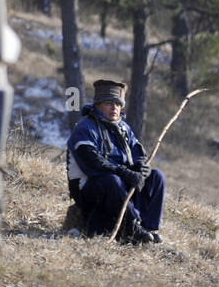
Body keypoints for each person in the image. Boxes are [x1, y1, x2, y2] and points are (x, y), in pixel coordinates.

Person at [65, 79, 165, 244]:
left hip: (117, 185)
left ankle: (147, 228)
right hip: (90, 189)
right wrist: (123, 172)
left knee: (156, 176)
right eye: (109, 103)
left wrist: (141, 167)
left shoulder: (123, 128)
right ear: (97, 105)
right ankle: (132, 228)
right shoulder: (85, 127)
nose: (115, 108)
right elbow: (93, 163)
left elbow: (137, 151)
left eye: (118, 104)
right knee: (111, 180)